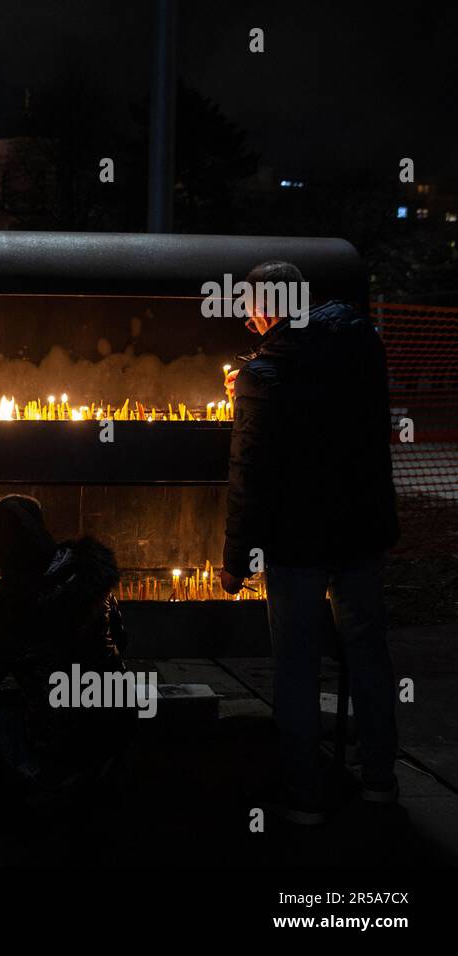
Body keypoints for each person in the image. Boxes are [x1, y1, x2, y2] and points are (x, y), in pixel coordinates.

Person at [221, 260, 400, 826]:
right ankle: (379, 782)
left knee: (296, 664)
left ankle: (304, 794)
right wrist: (256, 373)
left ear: (269, 304)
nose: (247, 320)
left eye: (250, 308)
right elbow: (328, 396)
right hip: (360, 529)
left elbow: (249, 469)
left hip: (296, 541)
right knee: (368, 654)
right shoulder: (362, 342)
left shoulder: (266, 374)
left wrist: (235, 558)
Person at [0, 495, 135, 813]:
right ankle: (98, 776)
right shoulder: (87, 573)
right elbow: (121, 639)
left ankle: (13, 792)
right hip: (115, 724)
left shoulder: (6, 604)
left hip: (60, 742)